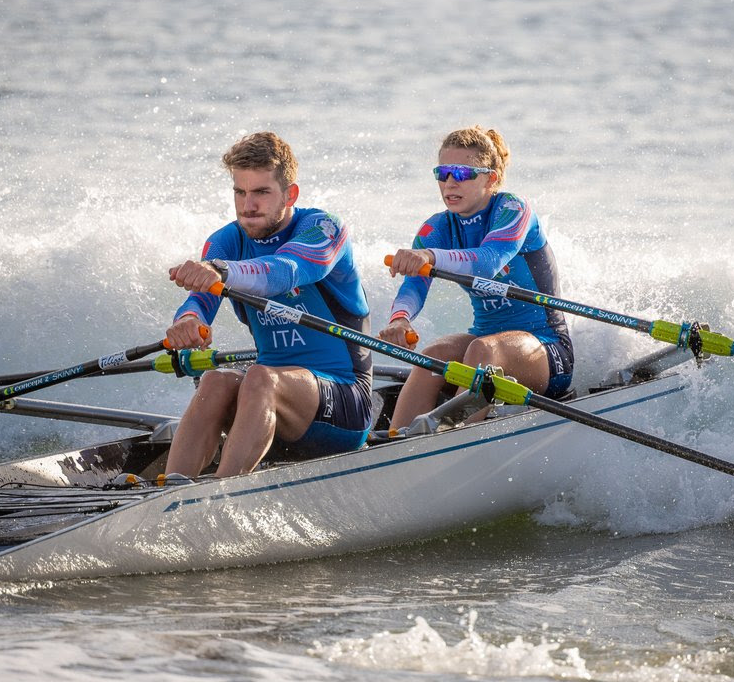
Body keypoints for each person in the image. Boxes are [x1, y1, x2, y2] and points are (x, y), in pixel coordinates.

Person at [161, 131, 375, 480]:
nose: (248, 206)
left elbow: (283, 272)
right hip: (269, 405)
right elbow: (200, 299)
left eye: (261, 192)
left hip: (344, 404)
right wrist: (188, 320)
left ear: (290, 194)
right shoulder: (225, 241)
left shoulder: (323, 228)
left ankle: (221, 495)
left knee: (260, 378)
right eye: (240, 193)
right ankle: (168, 489)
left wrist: (220, 271)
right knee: (215, 381)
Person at [379, 126, 574, 432]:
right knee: (435, 355)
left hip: (546, 350)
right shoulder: (436, 229)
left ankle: (453, 437)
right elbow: (414, 284)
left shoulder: (513, 210)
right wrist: (400, 320)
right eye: (442, 173)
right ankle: (393, 445)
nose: (450, 183)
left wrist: (430, 257)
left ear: (490, 179)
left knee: (482, 351)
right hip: (483, 346)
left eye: (462, 173)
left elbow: (488, 262)